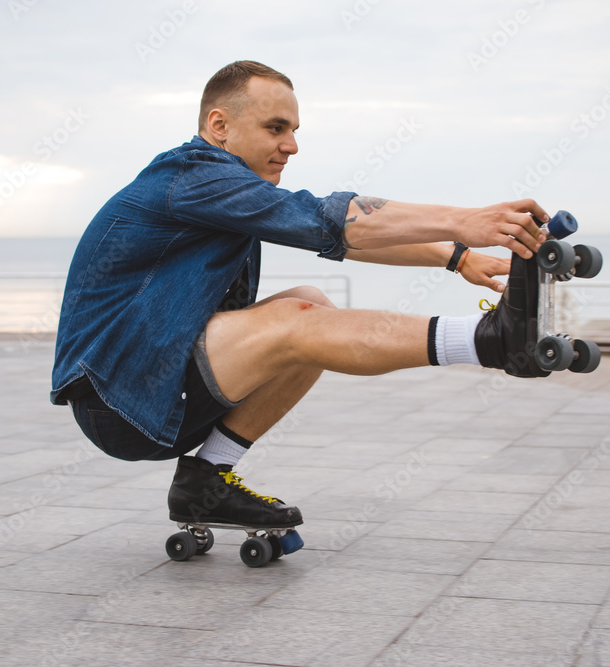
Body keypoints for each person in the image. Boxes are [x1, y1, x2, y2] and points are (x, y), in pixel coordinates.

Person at [51, 60, 552, 531]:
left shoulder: (224, 187)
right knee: (296, 320)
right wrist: (463, 221)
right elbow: (329, 218)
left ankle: (206, 478)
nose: (291, 146)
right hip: (120, 398)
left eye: (293, 131)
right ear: (219, 124)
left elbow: (338, 236)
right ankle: (489, 341)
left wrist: (458, 255)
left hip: (155, 388)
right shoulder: (190, 180)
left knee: (311, 302)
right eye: (276, 128)